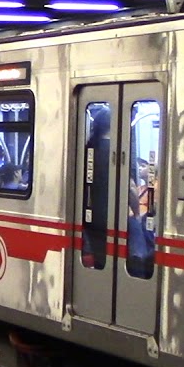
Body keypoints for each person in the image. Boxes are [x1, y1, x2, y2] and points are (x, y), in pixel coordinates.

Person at [80, 106, 111, 269]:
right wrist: (134, 212)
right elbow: (131, 187)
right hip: (111, 214)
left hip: (89, 211)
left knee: (100, 255)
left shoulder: (87, 148)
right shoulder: (117, 149)